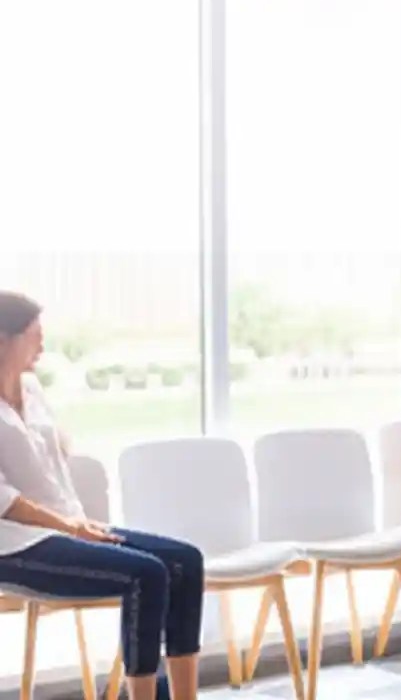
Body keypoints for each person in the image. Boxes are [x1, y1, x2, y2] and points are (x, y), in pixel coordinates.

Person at [0, 292, 204, 700]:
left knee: (186, 560)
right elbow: (4, 498)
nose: (42, 345)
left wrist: (76, 523)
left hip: (69, 525)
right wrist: (72, 527)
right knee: (146, 573)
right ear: (4, 339)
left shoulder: (32, 390)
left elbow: (55, 449)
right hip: (16, 545)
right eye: (34, 335)